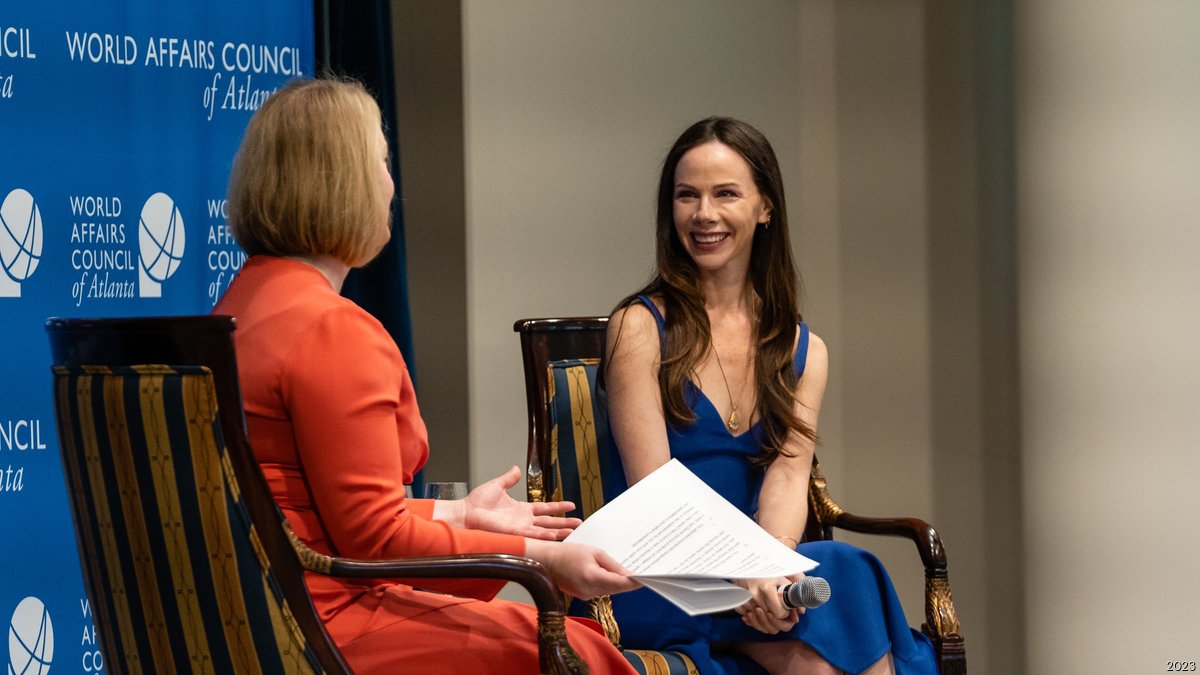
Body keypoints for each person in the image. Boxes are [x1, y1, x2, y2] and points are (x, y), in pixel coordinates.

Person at [213, 77, 639, 674]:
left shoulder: (237, 309)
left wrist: (458, 515)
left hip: (251, 619)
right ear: (343, 184)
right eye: (382, 163)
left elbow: (316, 512)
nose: (391, 183)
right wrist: (541, 558)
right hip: (320, 629)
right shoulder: (330, 329)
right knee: (578, 648)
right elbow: (374, 542)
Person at [601, 117, 938, 675]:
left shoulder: (805, 349)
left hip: (759, 574)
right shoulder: (638, 326)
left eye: (725, 193)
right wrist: (743, 572)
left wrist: (772, 573)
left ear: (765, 208)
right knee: (831, 605)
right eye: (687, 196)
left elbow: (786, 480)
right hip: (662, 571)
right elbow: (654, 489)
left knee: (838, 572)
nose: (703, 214)